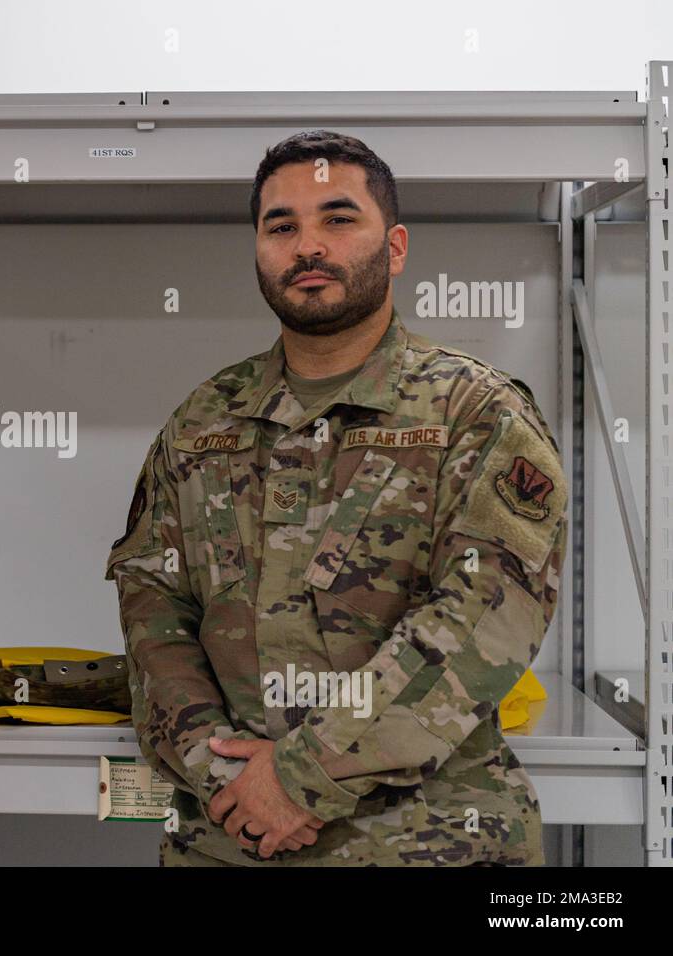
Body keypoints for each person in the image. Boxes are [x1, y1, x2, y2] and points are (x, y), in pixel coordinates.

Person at [105, 130, 567, 866]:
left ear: (396, 246)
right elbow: (152, 602)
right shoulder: (205, 420)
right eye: (280, 226)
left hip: (425, 842)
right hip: (226, 839)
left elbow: (484, 618)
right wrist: (218, 769)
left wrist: (295, 780)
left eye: (339, 218)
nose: (307, 246)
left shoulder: (474, 413)